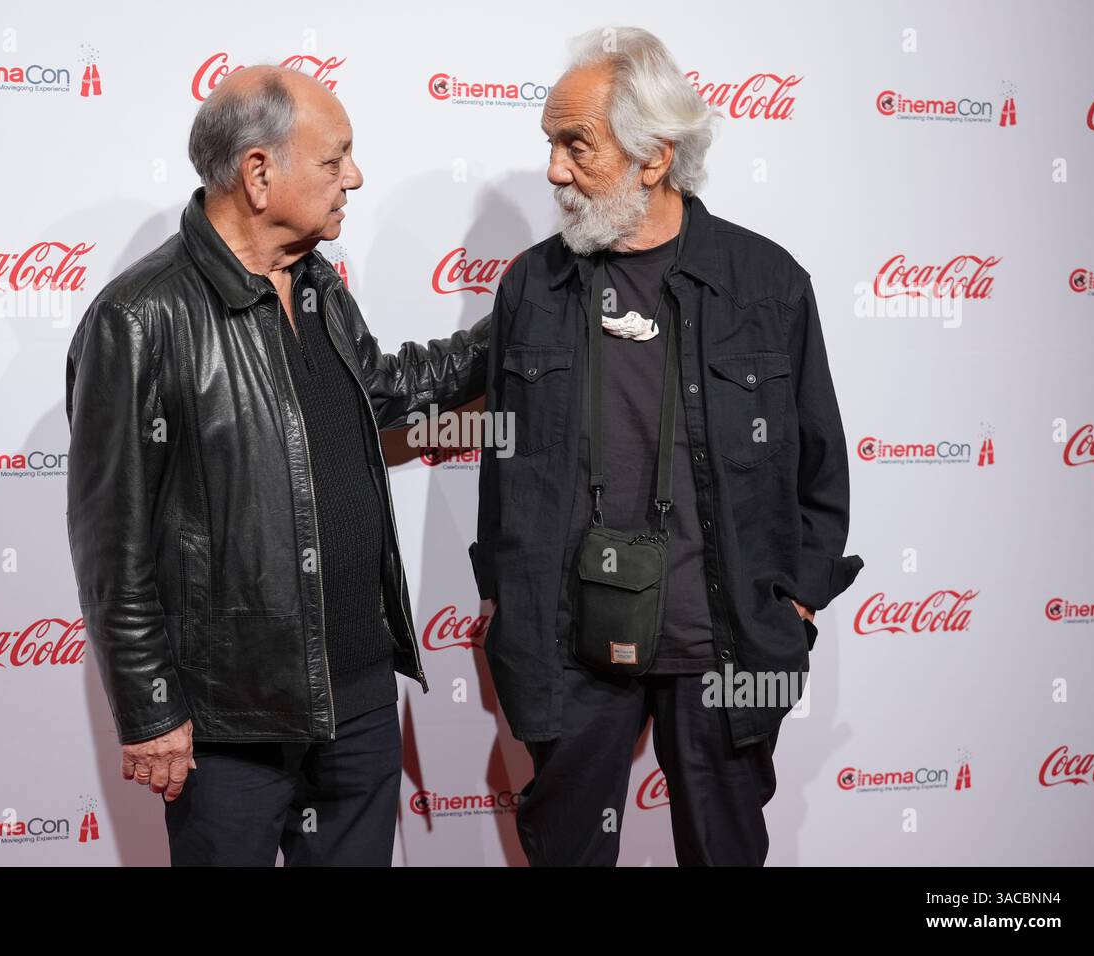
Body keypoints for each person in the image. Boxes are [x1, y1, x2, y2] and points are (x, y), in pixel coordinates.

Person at [65, 64, 489, 865]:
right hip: (233, 726)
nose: (354, 178)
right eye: (335, 160)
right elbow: (109, 547)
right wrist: (153, 708)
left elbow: (386, 389)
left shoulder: (319, 282)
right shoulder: (138, 318)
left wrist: (517, 323)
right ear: (260, 173)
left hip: (362, 704)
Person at [470, 27, 863, 865]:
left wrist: (794, 599)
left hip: (725, 644)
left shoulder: (766, 282)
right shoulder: (532, 286)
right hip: (571, 643)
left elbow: (819, 464)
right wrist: (506, 592)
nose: (554, 169)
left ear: (655, 157)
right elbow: (505, 471)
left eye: (577, 144)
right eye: (550, 144)